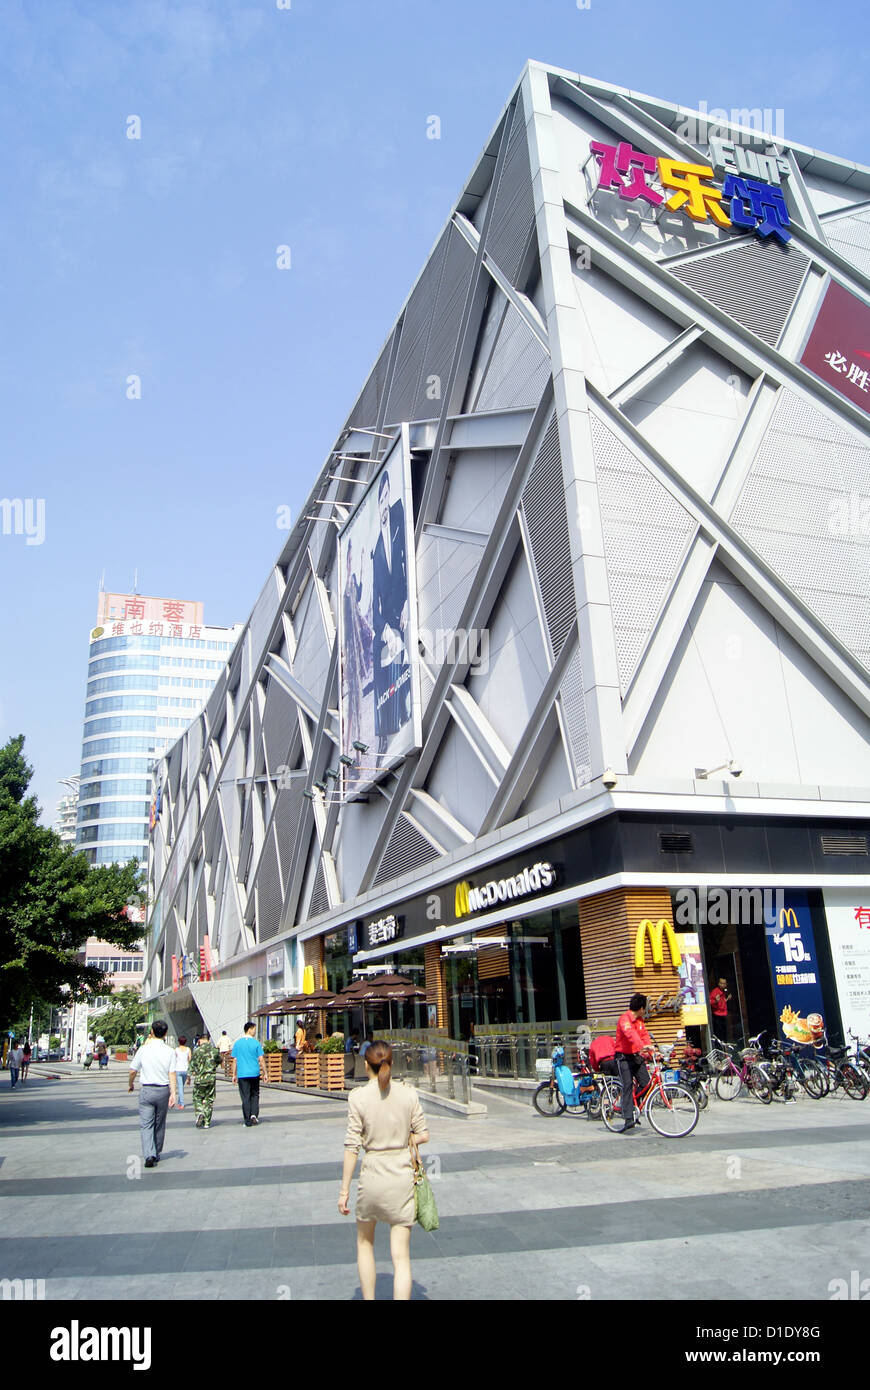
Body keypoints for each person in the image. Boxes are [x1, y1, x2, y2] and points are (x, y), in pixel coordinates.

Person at [338, 1040, 429, 1300]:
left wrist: (344, 1191)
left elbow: (352, 1146)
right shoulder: (409, 1093)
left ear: (366, 1065)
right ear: (390, 1063)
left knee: (365, 1244)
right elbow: (424, 1134)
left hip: (372, 1175)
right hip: (401, 1175)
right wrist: (407, 1139)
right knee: (401, 1256)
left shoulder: (357, 1097)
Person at [371, 469, 411, 760]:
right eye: (380, 499)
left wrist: (410, 601)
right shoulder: (375, 549)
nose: (384, 503)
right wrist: (383, 628)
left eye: (386, 495)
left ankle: (405, 709)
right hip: (389, 621)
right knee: (379, 651)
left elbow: (409, 562)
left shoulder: (400, 517)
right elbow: (375, 603)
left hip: (406, 608)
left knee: (400, 649)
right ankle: (384, 728)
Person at [128, 1021, 178, 1167]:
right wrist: (173, 1093)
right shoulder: (170, 1051)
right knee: (159, 1123)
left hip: (147, 1090)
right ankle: (156, 1152)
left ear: (152, 1031)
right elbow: (172, 1073)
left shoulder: (144, 1049)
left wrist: (130, 1084)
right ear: (165, 1033)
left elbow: (133, 1070)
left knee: (146, 1124)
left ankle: (149, 1154)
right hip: (163, 1090)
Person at [614, 993, 652, 1134]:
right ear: (641, 1008)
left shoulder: (640, 1021)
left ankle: (634, 1104)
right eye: (645, 1008)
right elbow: (631, 1035)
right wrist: (642, 1046)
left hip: (636, 1056)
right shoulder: (625, 1019)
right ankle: (628, 1116)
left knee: (646, 1083)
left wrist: (651, 1052)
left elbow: (644, 1036)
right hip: (623, 1058)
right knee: (627, 1085)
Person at [231, 1022, 267, 1127]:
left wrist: (233, 1074)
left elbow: (235, 1060)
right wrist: (265, 1073)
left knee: (245, 1096)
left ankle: (247, 1120)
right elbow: (261, 1059)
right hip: (254, 1073)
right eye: (254, 1029)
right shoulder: (256, 1043)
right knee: (255, 1094)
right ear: (249, 1029)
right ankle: (254, 1115)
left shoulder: (237, 1043)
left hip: (242, 1074)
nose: (255, 1031)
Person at [189, 1033, 221, 1128]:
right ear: (208, 1039)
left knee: (197, 1097)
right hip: (211, 1078)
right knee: (209, 1100)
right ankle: (207, 1122)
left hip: (199, 1078)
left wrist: (189, 1075)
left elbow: (192, 1065)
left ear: (201, 1040)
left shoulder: (197, 1051)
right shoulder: (214, 1051)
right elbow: (219, 1060)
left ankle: (200, 1112)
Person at [710, 978, 732, 1042]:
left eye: (724, 983)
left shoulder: (725, 991)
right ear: (718, 984)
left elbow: (723, 1001)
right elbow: (711, 1003)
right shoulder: (715, 991)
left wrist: (727, 999)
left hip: (723, 1014)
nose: (723, 985)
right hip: (717, 1015)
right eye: (721, 983)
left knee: (724, 1033)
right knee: (719, 1033)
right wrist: (716, 1001)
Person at [174, 1036, 192, 1109]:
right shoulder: (188, 1049)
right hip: (185, 1069)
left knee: (180, 1087)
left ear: (179, 1041)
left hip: (178, 1069)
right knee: (182, 1086)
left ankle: (182, 1103)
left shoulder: (176, 1050)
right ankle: (179, 1102)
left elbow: (174, 1059)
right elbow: (190, 1059)